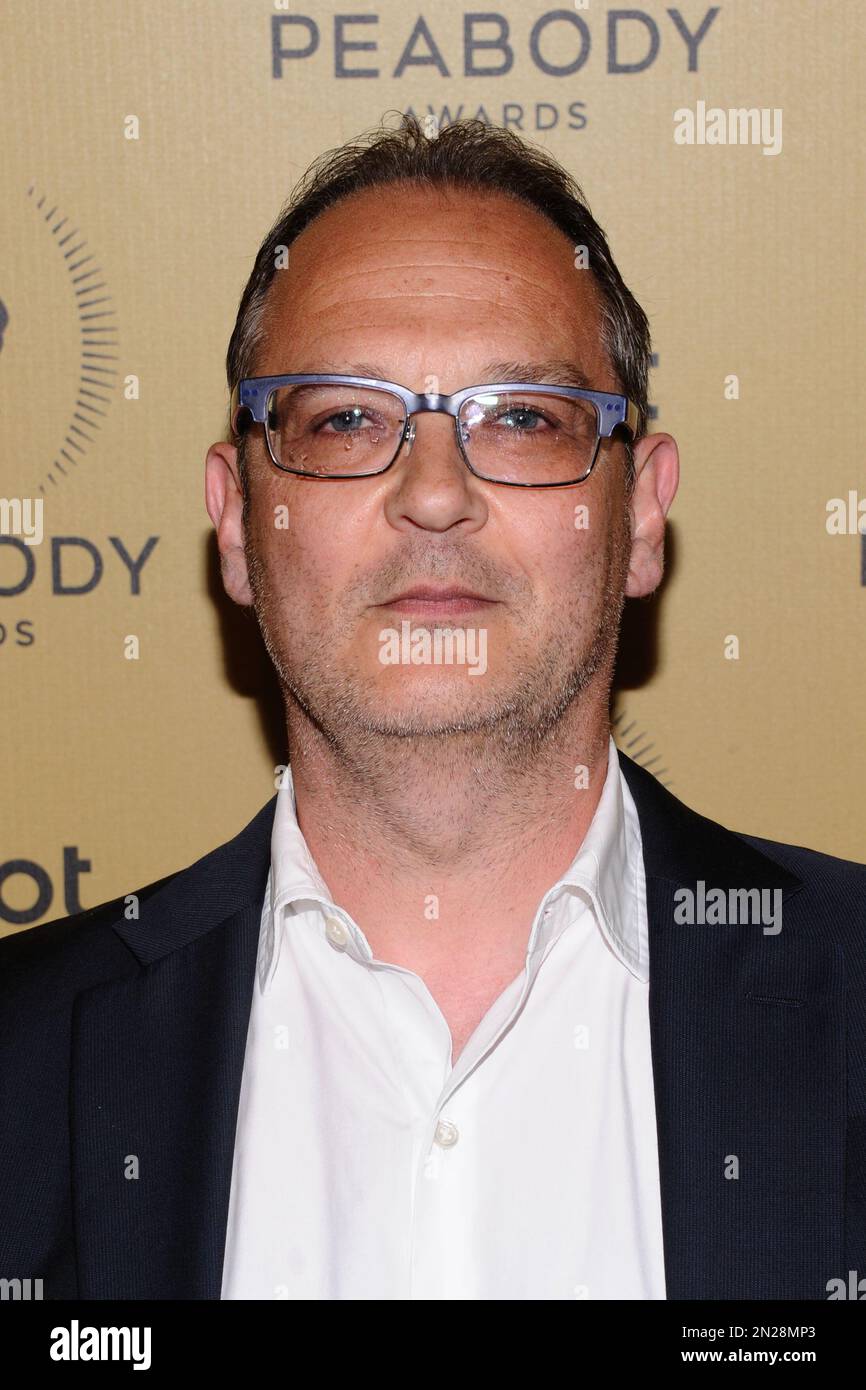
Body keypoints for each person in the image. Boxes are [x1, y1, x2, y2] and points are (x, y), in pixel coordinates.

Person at [2, 114, 864, 1302]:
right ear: (238, 522)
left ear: (642, 517)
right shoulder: (22, 1060)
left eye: (520, 416)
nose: (435, 493)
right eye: (344, 418)